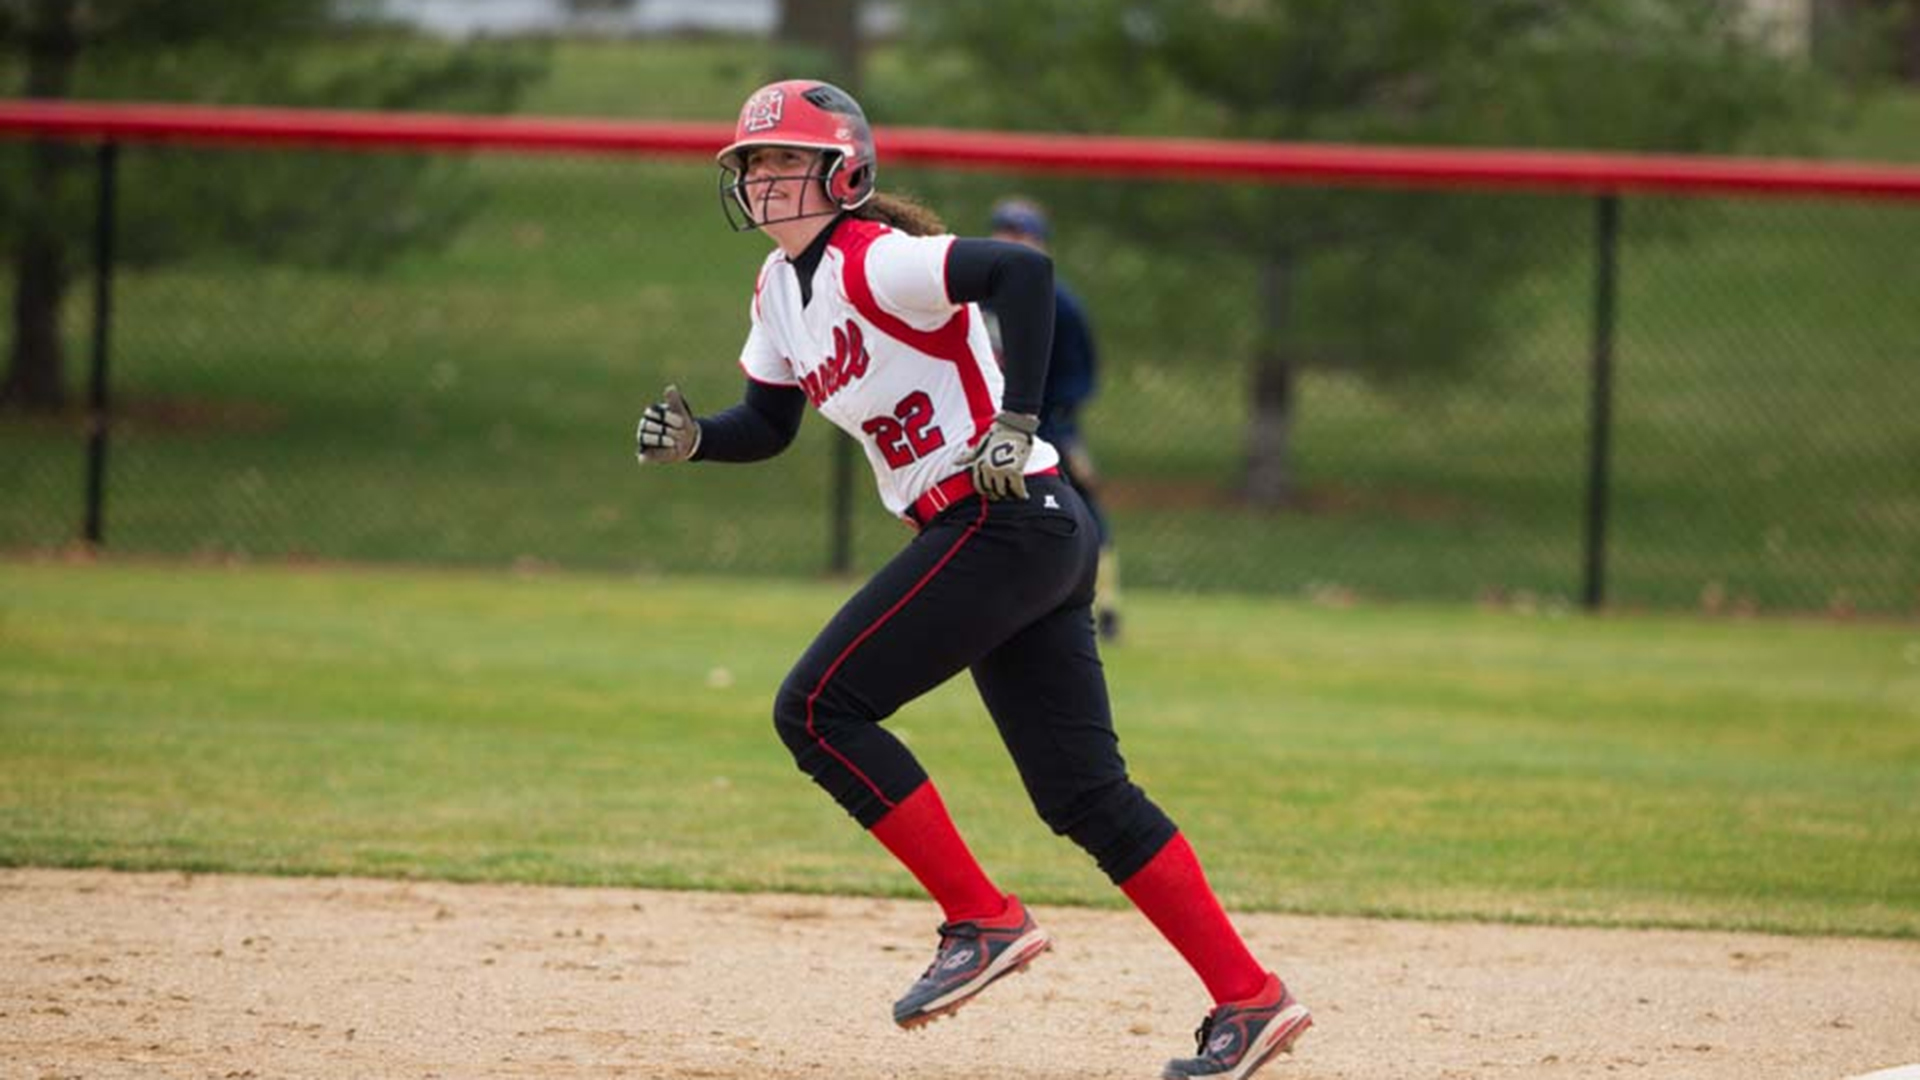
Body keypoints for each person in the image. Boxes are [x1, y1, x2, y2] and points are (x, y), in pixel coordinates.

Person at [634, 79, 1310, 1080]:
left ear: (846, 173)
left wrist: (1018, 417)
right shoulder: (778, 291)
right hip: (1022, 534)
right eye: (753, 162)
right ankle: (1250, 999)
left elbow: (1021, 275)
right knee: (1086, 795)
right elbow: (769, 423)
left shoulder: (875, 258)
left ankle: (982, 920)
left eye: (787, 160)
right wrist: (698, 441)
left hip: (1002, 516)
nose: (765, 178)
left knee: (816, 710)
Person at [985, 196, 1123, 642]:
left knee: (1082, 511)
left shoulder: (1060, 303)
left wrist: (1056, 427)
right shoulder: (977, 294)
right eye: (1004, 231)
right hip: (984, 424)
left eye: (1022, 234)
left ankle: (1105, 606)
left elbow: (1078, 376)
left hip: (1047, 426)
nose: (1011, 240)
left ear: (1042, 244)